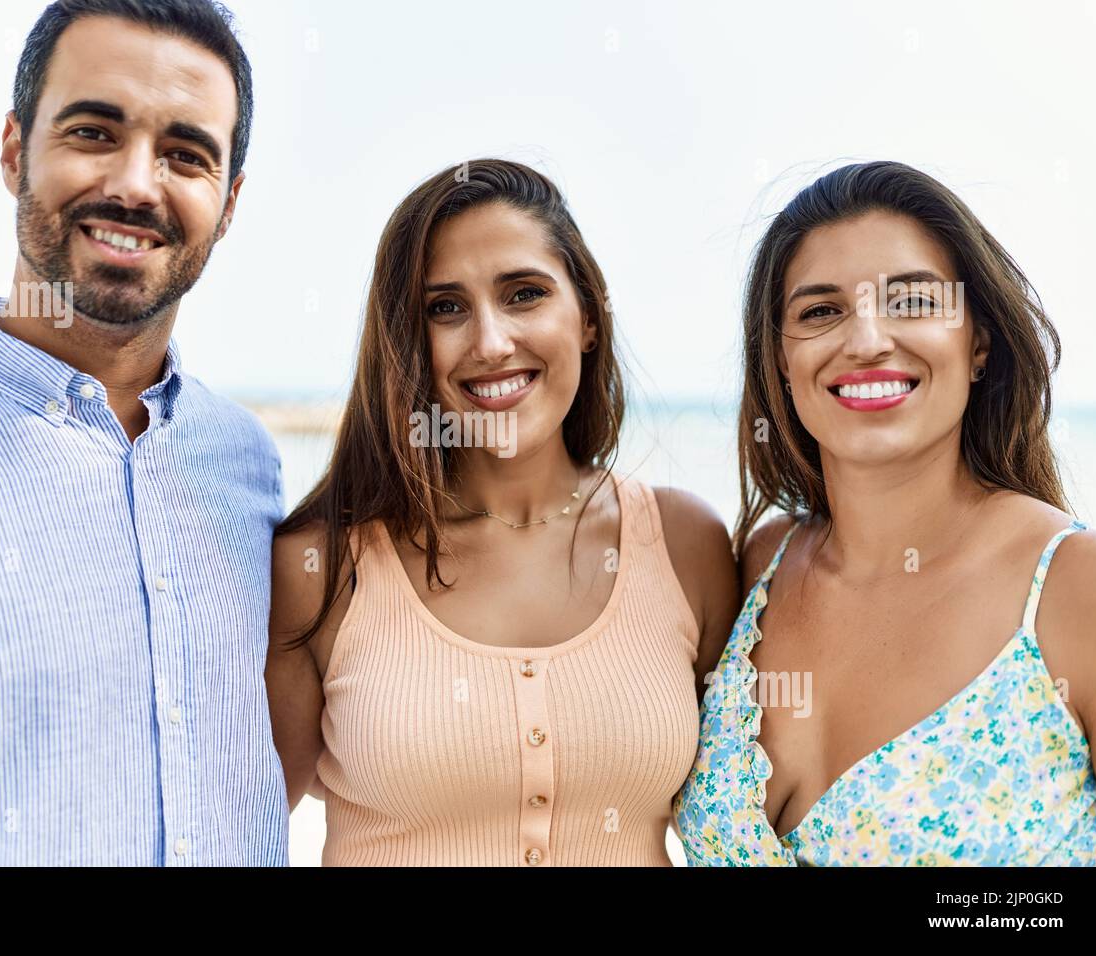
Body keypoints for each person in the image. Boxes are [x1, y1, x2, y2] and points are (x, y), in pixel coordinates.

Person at [0, 0, 288, 865]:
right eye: (95, 133)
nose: (138, 185)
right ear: (13, 149)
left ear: (229, 203)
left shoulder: (247, 468)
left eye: (187, 155)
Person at [266, 158, 740, 866]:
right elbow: (234, 823)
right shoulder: (322, 565)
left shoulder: (687, 545)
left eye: (524, 294)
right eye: (445, 308)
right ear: (408, 344)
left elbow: (743, 820)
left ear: (585, 316)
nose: (490, 342)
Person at [677, 161, 1096, 865]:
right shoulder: (762, 564)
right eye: (820, 311)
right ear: (781, 365)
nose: (867, 339)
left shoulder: (1083, 590)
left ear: (977, 343)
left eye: (912, 302)